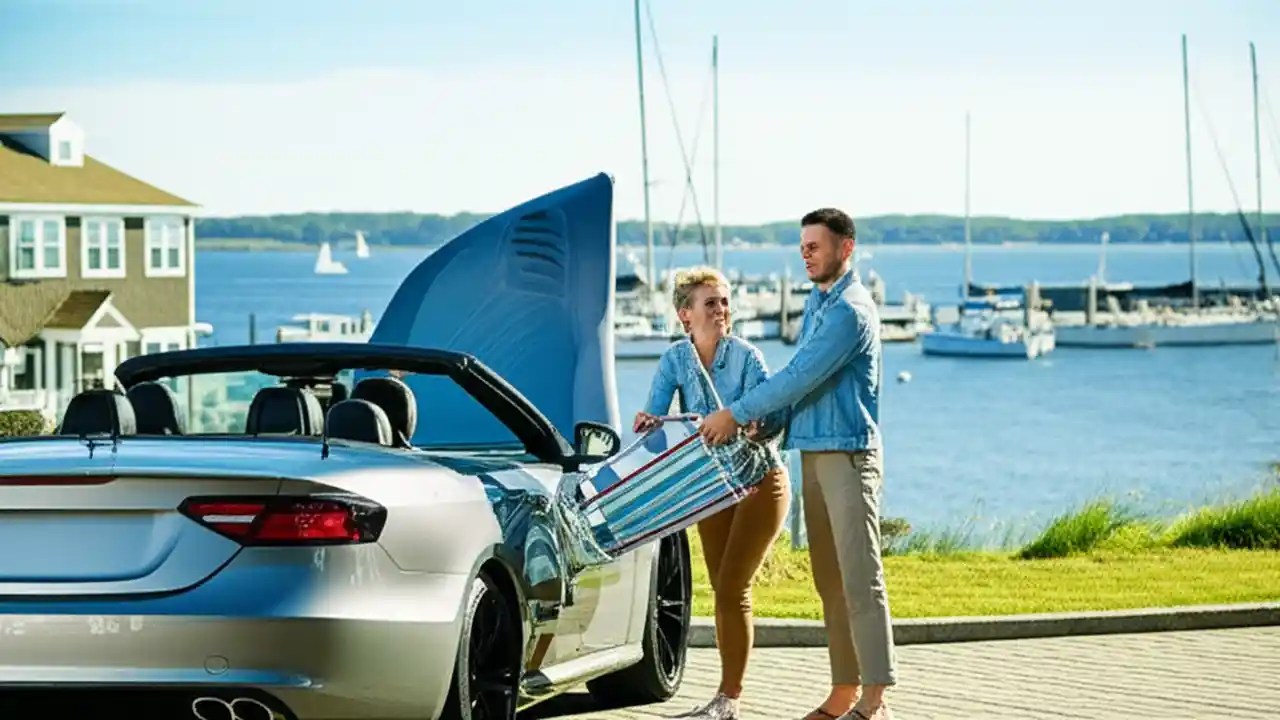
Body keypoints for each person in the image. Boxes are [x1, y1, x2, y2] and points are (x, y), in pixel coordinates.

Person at [699, 209, 897, 720]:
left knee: (860, 577)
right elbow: (799, 383)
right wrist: (767, 425)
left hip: (849, 456)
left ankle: (875, 701)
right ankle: (842, 693)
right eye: (803, 246)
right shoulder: (817, 303)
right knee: (829, 581)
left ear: (845, 249)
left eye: (816, 245)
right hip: (812, 451)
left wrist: (737, 412)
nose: (806, 253)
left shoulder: (850, 311)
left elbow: (801, 374)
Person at [634, 266, 791, 720]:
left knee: (732, 588)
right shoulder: (675, 360)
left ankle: (728, 700)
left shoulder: (747, 357)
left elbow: (775, 416)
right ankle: (726, 699)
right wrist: (648, 423)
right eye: (710, 302)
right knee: (721, 588)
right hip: (712, 486)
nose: (721, 309)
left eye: (724, 301)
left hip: (760, 481)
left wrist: (757, 423)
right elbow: (657, 419)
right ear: (686, 315)